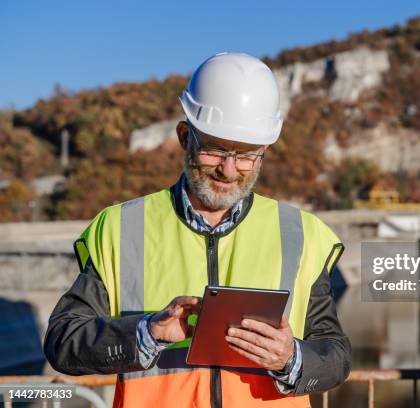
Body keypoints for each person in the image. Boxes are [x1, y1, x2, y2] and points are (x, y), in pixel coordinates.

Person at [44, 52, 351, 408]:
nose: (229, 169)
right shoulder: (119, 229)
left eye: (248, 154)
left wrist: (290, 358)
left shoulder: (302, 233)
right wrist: (147, 333)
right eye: (215, 149)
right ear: (184, 135)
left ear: (265, 149)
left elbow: (337, 356)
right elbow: (63, 342)